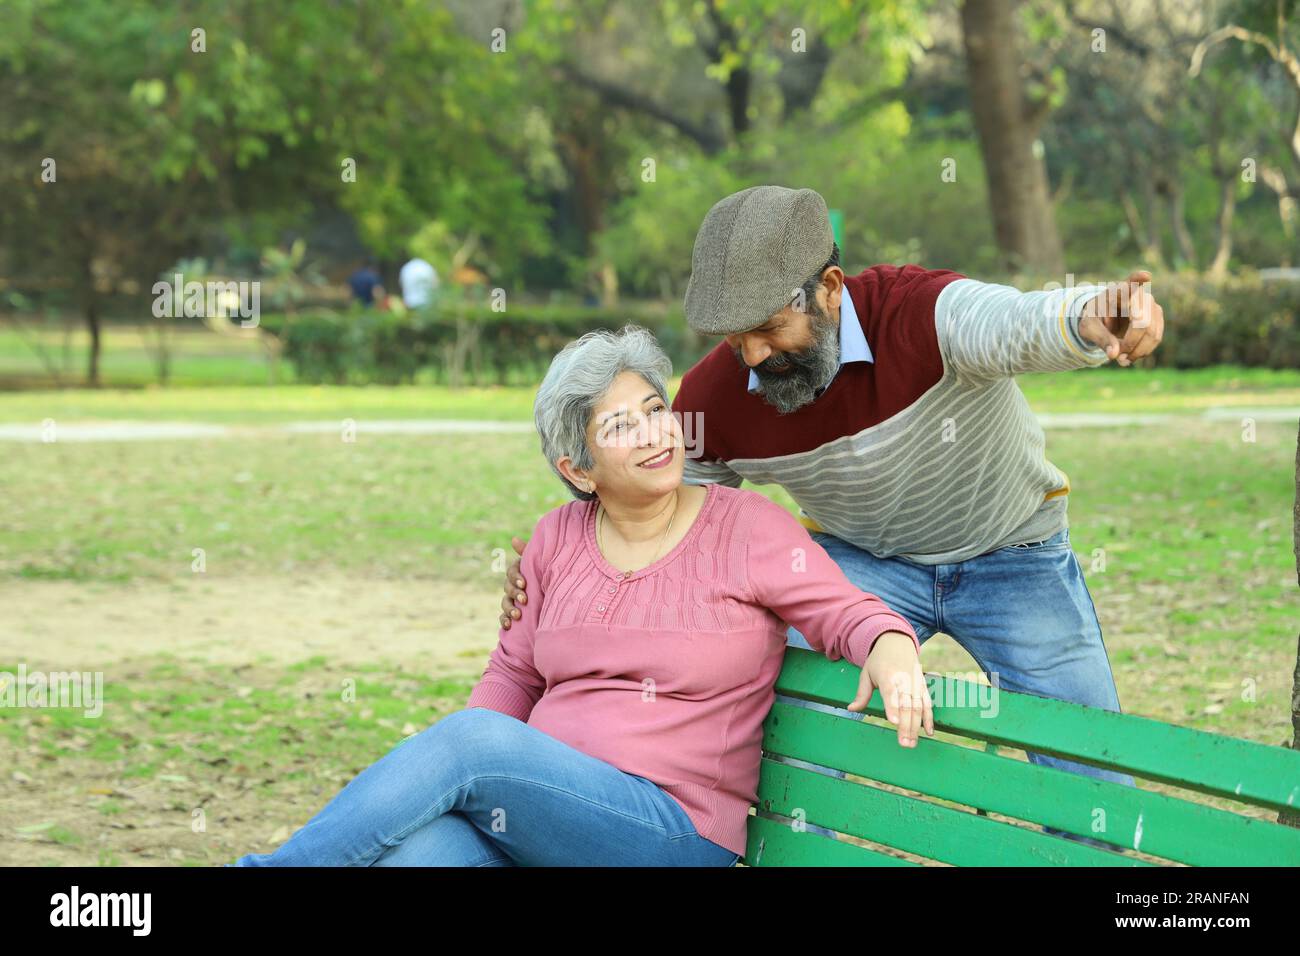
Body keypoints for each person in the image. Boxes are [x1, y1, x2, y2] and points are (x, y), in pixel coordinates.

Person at [502, 185, 1167, 851]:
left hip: (1014, 555)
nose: (756, 355)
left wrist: (1096, 316)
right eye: (738, 339)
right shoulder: (716, 398)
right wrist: (557, 564)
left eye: (769, 328)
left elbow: (1023, 320)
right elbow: (642, 499)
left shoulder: (923, 314)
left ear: (829, 288)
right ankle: (800, 851)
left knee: (1086, 755)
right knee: (788, 720)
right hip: (857, 564)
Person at [231, 325, 929, 867]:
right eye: (619, 426)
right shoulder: (557, 539)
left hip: (668, 833)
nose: (654, 433)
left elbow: (843, 610)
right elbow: (512, 676)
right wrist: (483, 783)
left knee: (470, 748)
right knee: (422, 853)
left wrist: (890, 647)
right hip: (539, 819)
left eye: (656, 410)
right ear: (579, 468)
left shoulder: (746, 527)